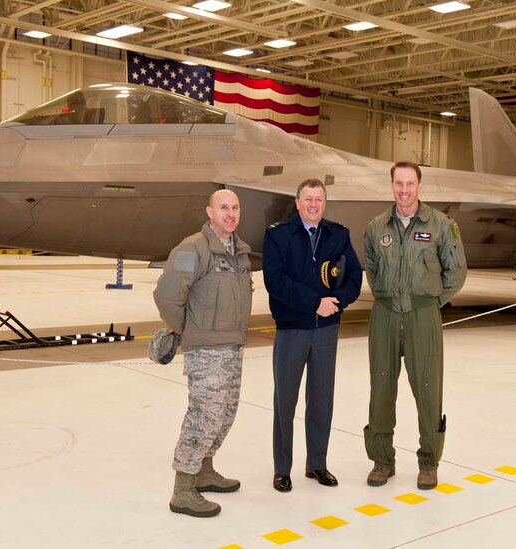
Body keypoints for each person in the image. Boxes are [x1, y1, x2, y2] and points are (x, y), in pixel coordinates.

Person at [363, 160, 467, 490]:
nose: (404, 190)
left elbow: (457, 271)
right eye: (399, 183)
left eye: (410, 184)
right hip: (385, 315)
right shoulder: (376, 227)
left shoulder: (440, 225)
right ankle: (382, 460)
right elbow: (371, 269)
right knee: (381, 389)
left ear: (419, 186)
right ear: (391, 186)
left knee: (427, 389)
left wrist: (431, 302)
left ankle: (428, 462)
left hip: (423, 316)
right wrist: (387, 296)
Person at [153, 189, 253, 518]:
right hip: (206, 351)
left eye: (235, 207)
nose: (230, 213)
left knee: (224, 415)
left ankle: (204, 470)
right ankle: (183, 488)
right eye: (223, 207)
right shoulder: (192, 248)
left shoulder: (239, 251)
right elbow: (167, 295)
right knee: (203, 418)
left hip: (232, 346)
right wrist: (185, 330)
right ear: (209, 211)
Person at [263, 178, 362, 493]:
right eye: (308, 199)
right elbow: (275, 281)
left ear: (325, 203)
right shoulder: (278, 236)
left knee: (321, 400)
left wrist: (337, 301)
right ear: (297, 202)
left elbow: (354, 275)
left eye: (318, 199)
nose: (313, 205)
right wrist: (314, 303)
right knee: (285, 401)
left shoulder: (339, 235)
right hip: (292, 329)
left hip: (326, 331)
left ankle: (317, 464)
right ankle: (282, 469)